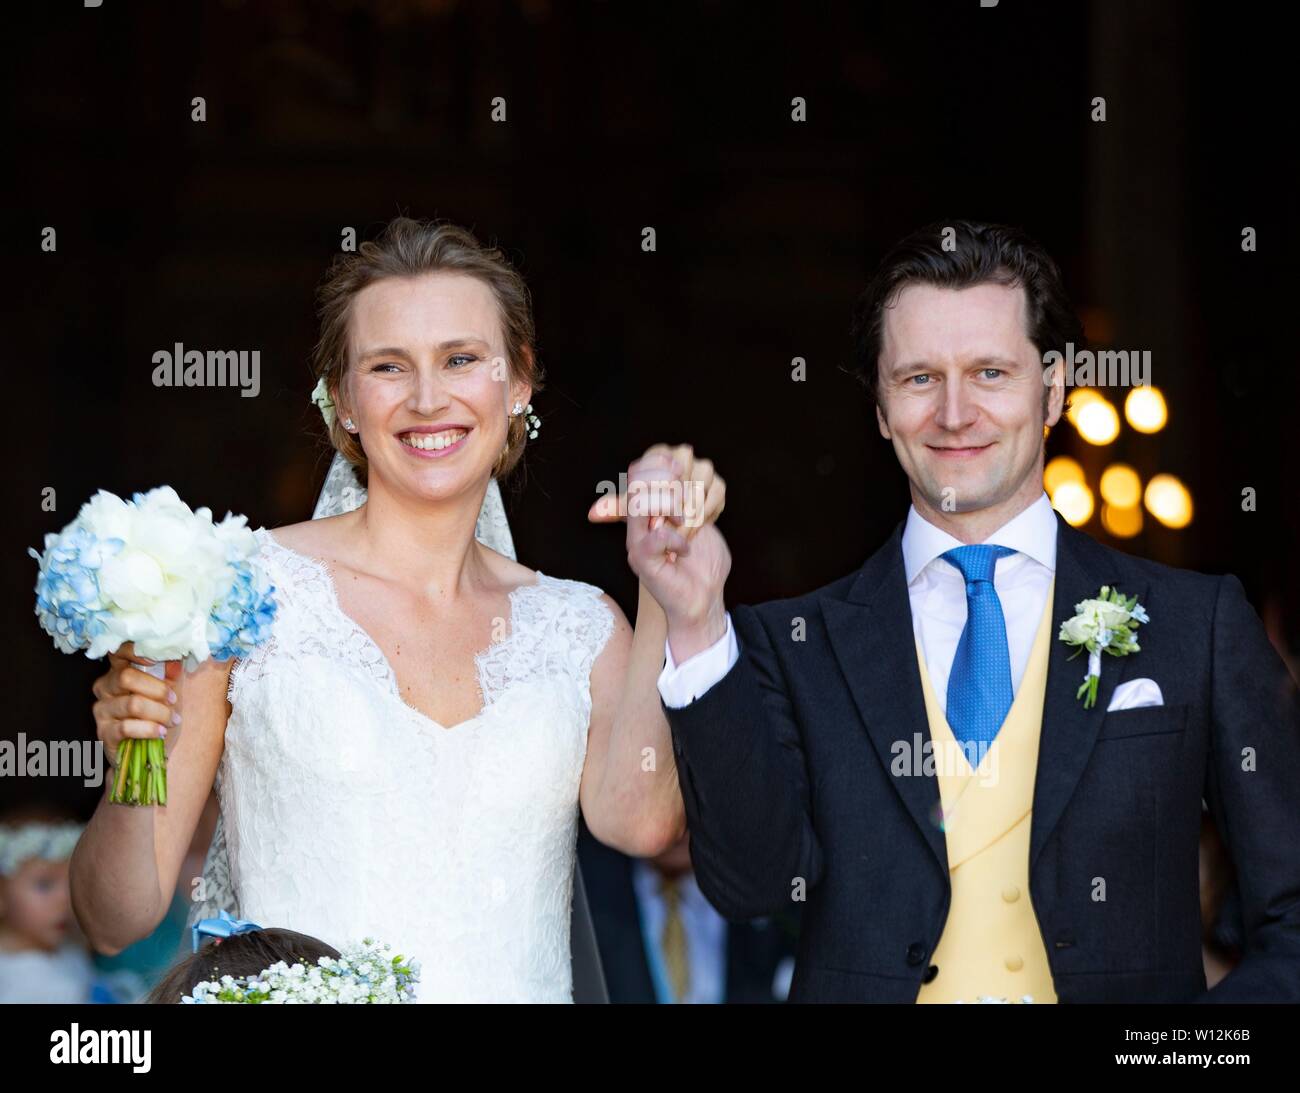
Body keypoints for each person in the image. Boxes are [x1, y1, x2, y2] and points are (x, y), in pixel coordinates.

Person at [631, 219, 1300, 1003]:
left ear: (1053, 389)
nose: (954, 413)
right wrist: (698, 622)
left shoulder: (1199, 622)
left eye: (990, 372)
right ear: (880, 406)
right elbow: (753, 886)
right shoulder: (793, 642)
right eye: (918, 378)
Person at [71, 217, 721, 1002]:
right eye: (388, 366)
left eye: (460, 358)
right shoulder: (242, 590)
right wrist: (131, 767)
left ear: (517, 381)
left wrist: (661, 577)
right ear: (342, 398)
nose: (426, 398)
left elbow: (642, 823)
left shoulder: (580, 626)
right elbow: (116, 917)